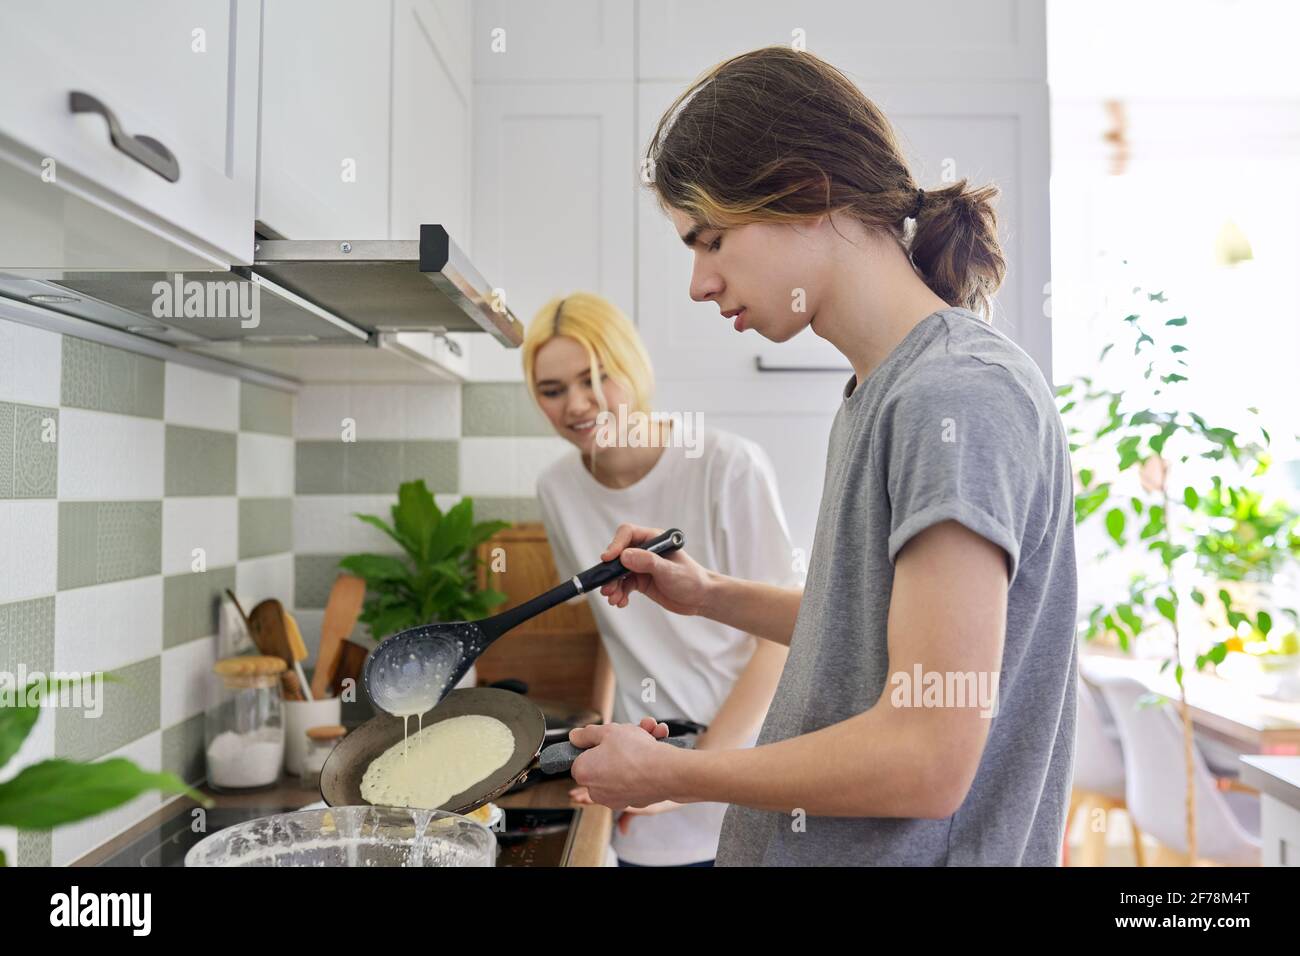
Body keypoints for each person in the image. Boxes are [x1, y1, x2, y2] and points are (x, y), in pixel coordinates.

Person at [565, 46, 1079, 866]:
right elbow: (883, 636)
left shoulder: (953, 395)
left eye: (712, 240)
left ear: (805, 193)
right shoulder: (883, 390)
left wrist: (684, 773)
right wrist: (709, 596)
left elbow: (926, 759)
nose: (699, 283)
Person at [523, 290, 800, 866]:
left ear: (633, 369)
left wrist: (693, 778)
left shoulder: (726, 466)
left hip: (742, 780)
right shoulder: (556, 489)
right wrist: (601, 735)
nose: (578, 404)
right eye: (553, 390)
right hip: (644, 785)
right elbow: (614, 626)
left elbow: (778, 645)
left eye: (596, 377)